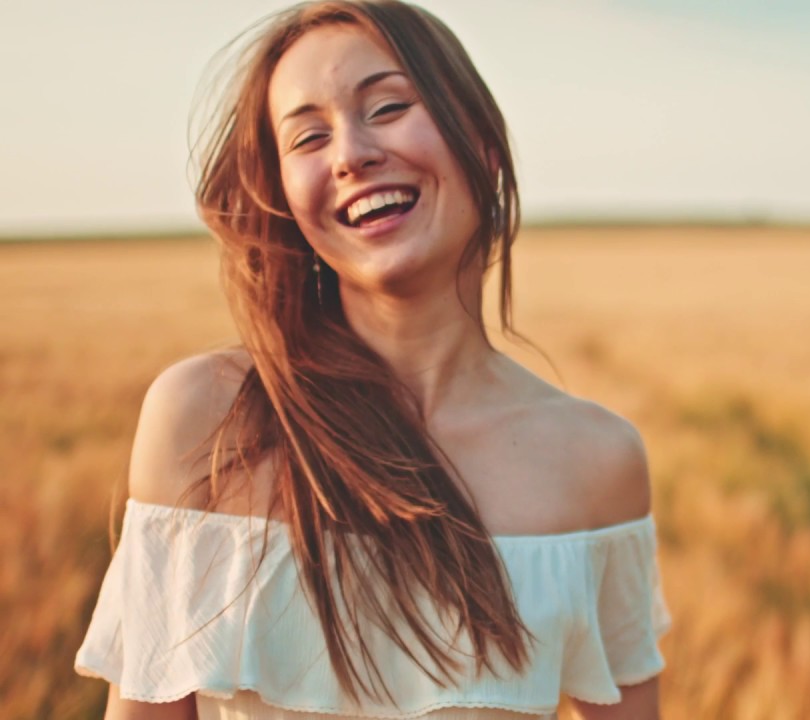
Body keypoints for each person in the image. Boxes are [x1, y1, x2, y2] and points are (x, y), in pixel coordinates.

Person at [72, 2, 671, 718]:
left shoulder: (597, 462)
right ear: (288, 199)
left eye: (386, 107)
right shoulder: (208, 419)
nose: (351, 154)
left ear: (481, 145)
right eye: (308, 137)